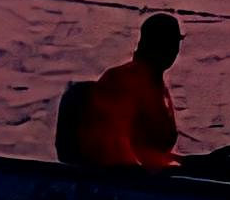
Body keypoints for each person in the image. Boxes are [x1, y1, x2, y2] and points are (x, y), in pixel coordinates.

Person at [56, 14, 182, 170]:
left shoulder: (157, 85)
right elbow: (113, 144)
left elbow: (151, 151)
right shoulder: (122, 80)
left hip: (150, 177)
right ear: (146, 42)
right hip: (123, 182)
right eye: (165, 41)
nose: (172, 50)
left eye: (174, 43)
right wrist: (140, 176)